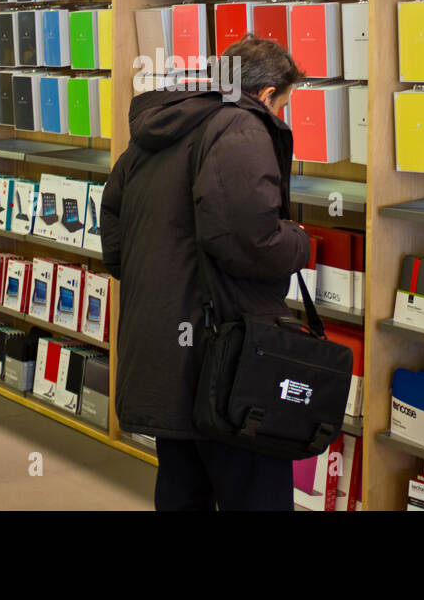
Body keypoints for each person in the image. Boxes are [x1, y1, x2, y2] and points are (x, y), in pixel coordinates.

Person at [101, 35, 310, 511]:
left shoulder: (159, 130)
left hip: (165, 347)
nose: (282, 115)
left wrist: (150, 279)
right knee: (253, 485)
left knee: (182, 484)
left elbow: (113, 223)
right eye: (284, 104)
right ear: (266, 93)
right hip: (226, 352)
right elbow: (246, 239)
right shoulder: (241, 127)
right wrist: (298, 241)